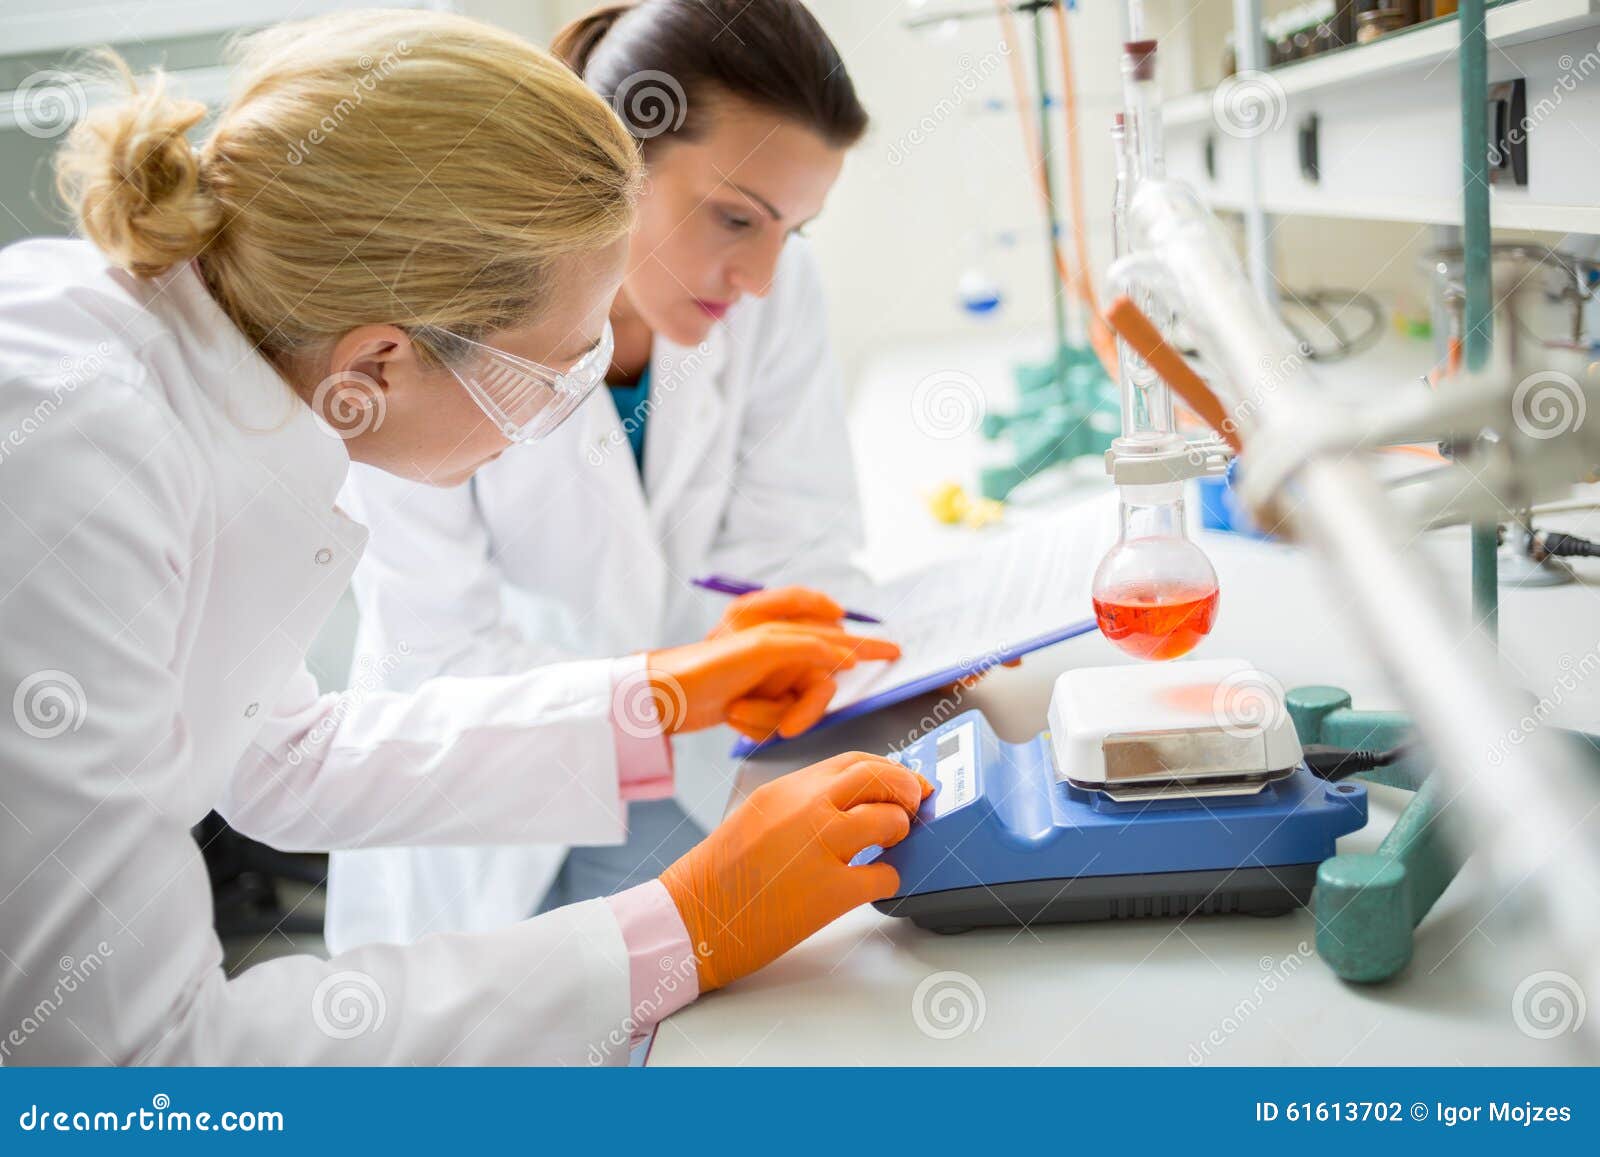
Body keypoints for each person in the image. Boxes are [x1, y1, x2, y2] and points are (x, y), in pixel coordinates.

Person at [0, 9, 925, 1066]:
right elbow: (121, 1072)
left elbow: (280, 756)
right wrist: (689, 923)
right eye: (551, 378)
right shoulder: (70, 460)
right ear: (383, 361)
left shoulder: (232, 378)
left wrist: (664, 696)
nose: (564, 415)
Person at [326, 0, 883, 954]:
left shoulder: (774, 289)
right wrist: (671, 689)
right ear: (610, 159)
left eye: (794, 228)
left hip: (689, 771)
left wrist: (796, 660)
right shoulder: (436, 310)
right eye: (736, 216)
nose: (759, 273)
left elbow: (797, 540)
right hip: (483, 797)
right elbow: (439, 649)